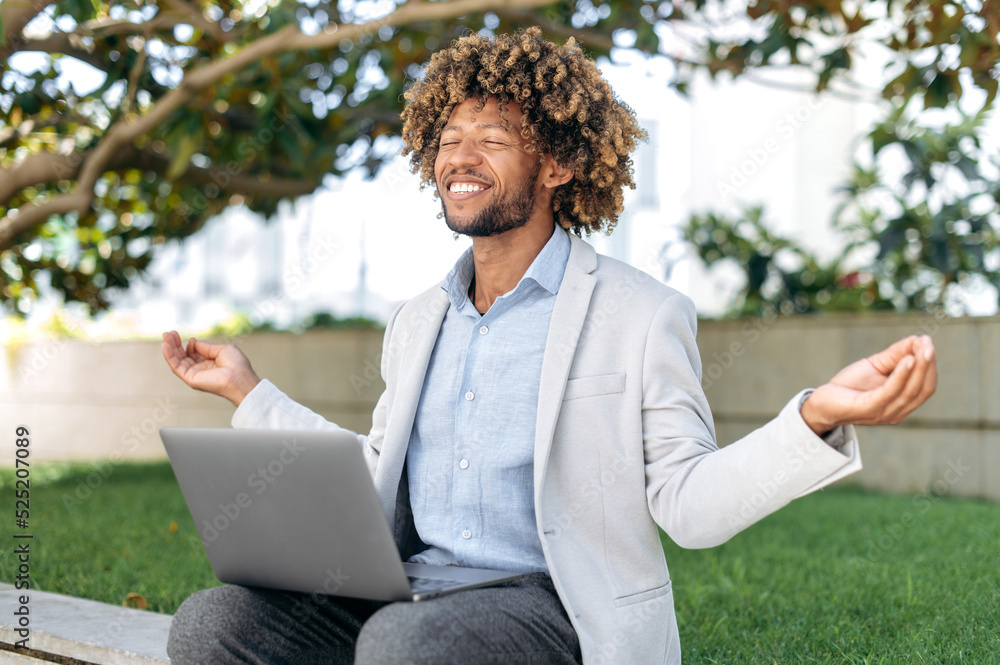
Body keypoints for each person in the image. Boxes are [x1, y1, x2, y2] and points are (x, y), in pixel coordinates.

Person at [161, 27, 937, 665]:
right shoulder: (417, 318)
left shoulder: (641, 314)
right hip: (410, 593)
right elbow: (373, 474)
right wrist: (248, 393)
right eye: (449, 137)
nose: (460, 157)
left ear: (558, 163)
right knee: (215, 621)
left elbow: (690, 505)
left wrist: (815, 416)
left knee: (402, 645)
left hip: (548, 608)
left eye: (492, 138)